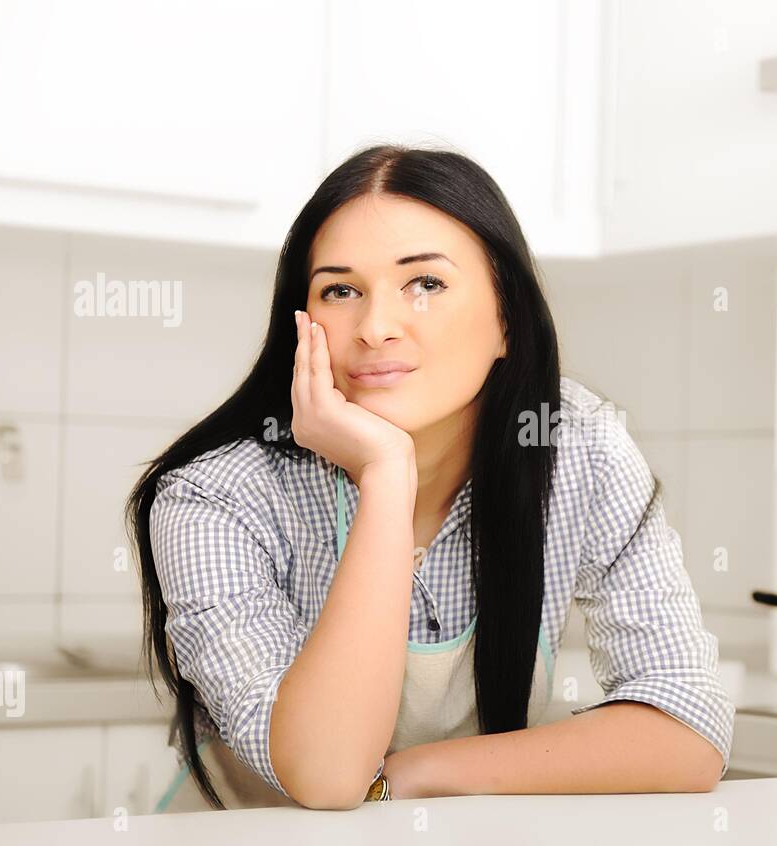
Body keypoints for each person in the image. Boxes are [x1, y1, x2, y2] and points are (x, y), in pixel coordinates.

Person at [126, 144, 735, 812]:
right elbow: (328, 775)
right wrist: (387, 476)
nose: (376, 326)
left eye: (425, 283)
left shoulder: (577, 449)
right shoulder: (217, 494)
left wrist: (411, 773)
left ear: (506, 316)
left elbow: (687, 726)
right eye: (340, 290)